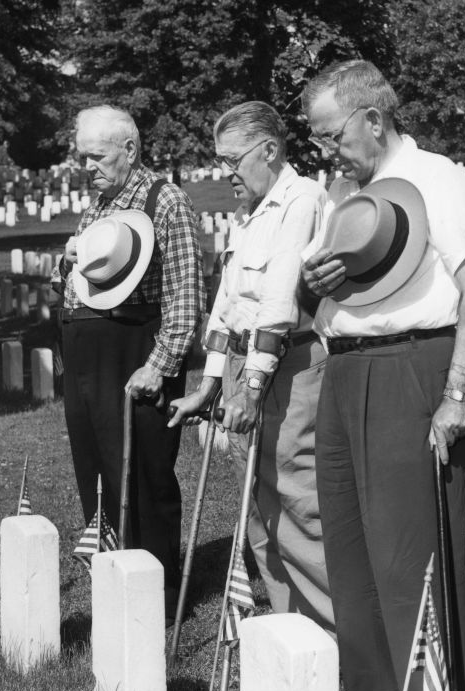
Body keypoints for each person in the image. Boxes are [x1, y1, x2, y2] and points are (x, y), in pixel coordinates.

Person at [299, 61, 465, 691]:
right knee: (350, 537)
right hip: (346, 370)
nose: (324, 150)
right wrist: (311, 283)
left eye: (330, 135)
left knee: (411, 542)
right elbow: (333, 297)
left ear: (373, 120)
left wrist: (457, 392)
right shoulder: (345, 193)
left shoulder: (435, 177)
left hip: (413, 366)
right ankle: (377, 687)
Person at [168, 101, 333, 633]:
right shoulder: (250, 210)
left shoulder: (300, 200)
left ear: (269, 150)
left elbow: (279, 302)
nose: (227, 173)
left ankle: (332, 628)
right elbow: (228, 306)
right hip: (246, 366)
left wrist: (252, 389)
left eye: (233, 160)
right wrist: (212, 384)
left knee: (295, 496)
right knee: (255, 503)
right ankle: (291, 624)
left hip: (288, 364)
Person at [59, 105, 205, 623]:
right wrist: (66, 263)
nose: (88, 167)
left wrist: (159, 365)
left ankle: (155, 595)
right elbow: (82, 277)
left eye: (96, 156)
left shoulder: (165, 202)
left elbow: (185, 294)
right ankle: (116, 573)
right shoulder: (100, 203)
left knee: (143, 472)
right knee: (97, 468)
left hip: (135, 352)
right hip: (88, 356)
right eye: (83, 157)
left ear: (130, 149)